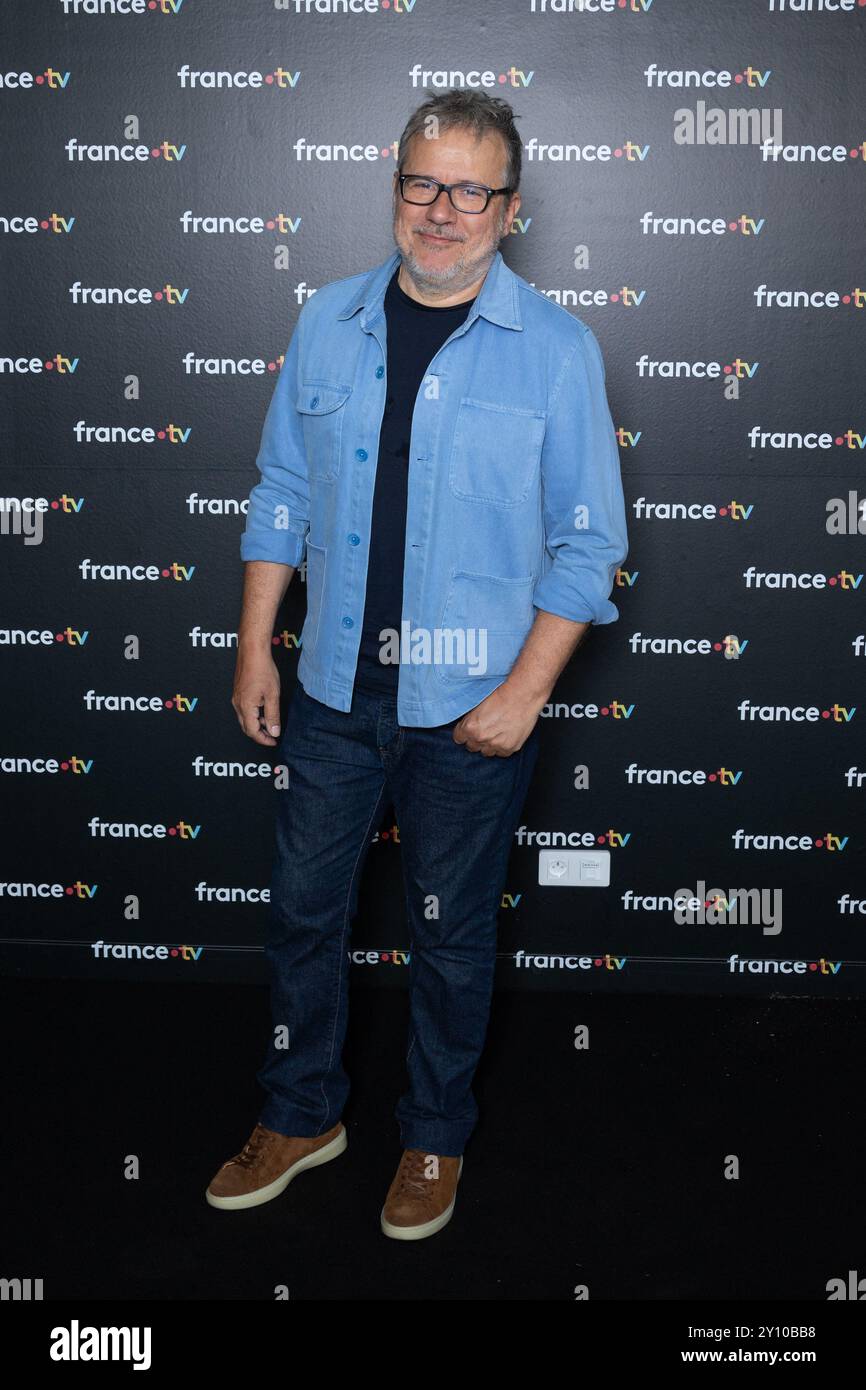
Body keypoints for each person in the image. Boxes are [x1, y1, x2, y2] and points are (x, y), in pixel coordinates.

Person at [205, 90, 628, 1240]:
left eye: (468, 190)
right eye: (419, 183)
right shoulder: (324, 322)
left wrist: (519, 697)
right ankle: (300, 1115)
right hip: (334, 693)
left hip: (468, 711)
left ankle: (433, 1136)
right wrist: (256, 645)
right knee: (300, 914)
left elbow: (589, 543)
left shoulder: (554, 351)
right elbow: (280, 495)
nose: (440, 211)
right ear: (393, 188)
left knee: (448, 937)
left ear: (511, 207)